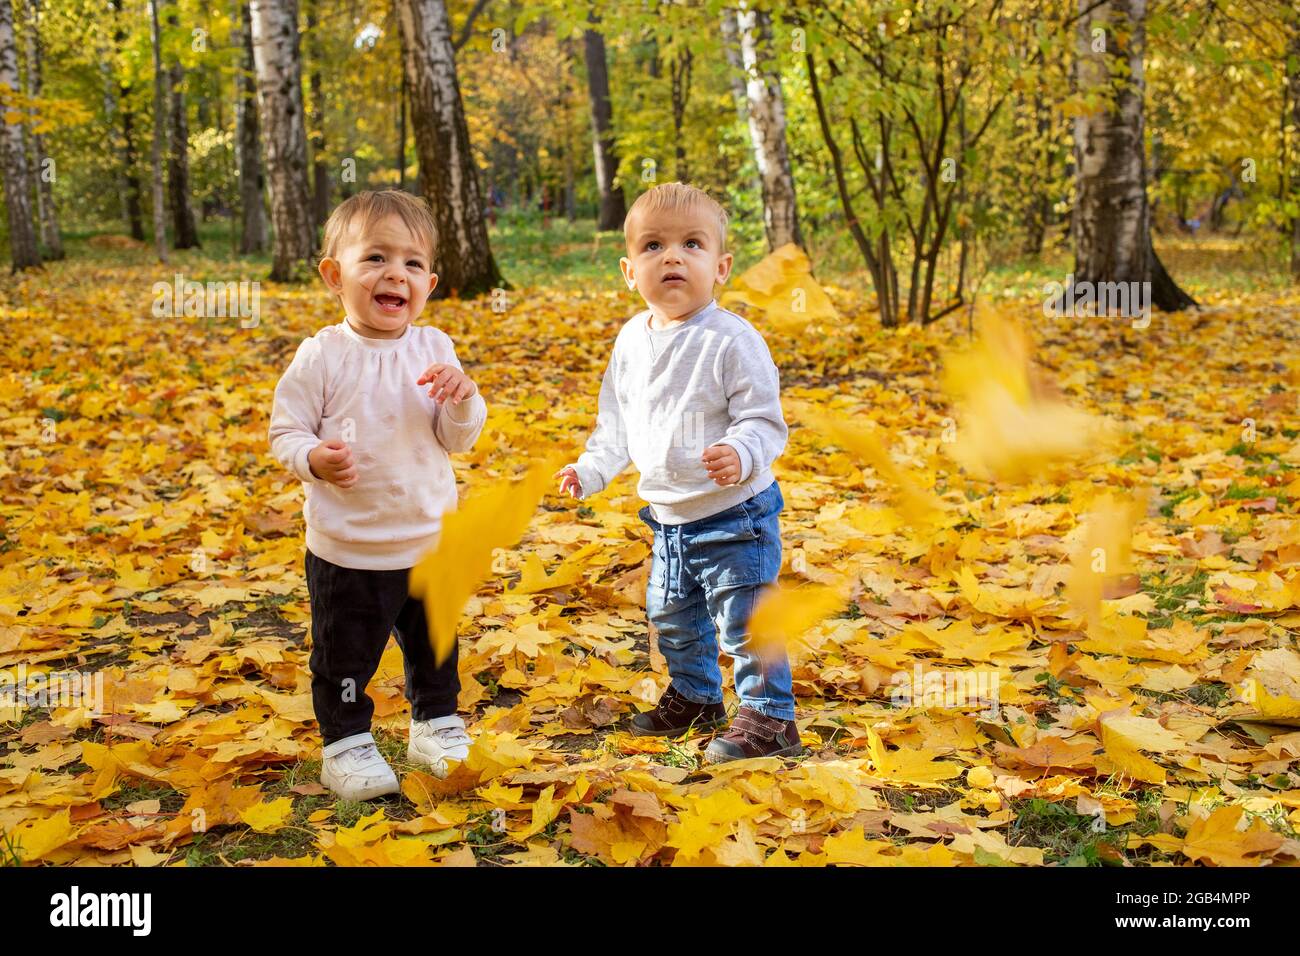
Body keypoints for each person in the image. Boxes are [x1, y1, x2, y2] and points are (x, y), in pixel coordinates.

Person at [555, 182, 800, 763]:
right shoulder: (630, 342)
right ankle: (696, 697)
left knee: (744, 618)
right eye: (653, 246)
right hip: (667, 518)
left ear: (720, 268)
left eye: (691, 244)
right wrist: (591, 470)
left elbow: (765, 421)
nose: (671, 257)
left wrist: (741, 450)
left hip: (734, 513)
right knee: (673, 616)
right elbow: (616, 424)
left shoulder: (731, 339)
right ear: (628, 270)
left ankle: (771, 718)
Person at [268, 190, 487, 799]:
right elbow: (285, 430)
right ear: (335, 276)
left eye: (413, 264)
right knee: (346, 656)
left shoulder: (434, 349)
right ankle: (345, 743)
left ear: (430, 282)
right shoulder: (323, 355)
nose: (396, 274)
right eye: (376, 259)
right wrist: (312, 458)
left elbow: (457, 439)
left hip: (430, 539)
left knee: (435, 647)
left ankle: (436, 723)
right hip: (351, 548)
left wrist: (464, 398)